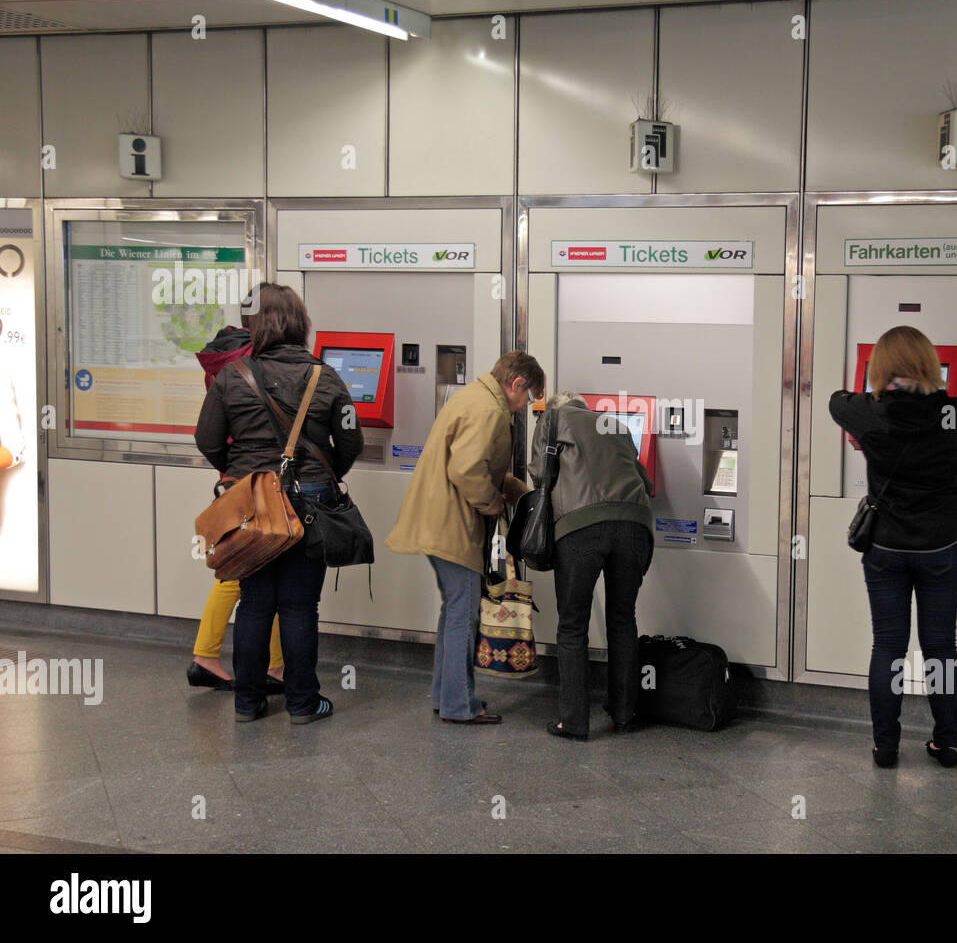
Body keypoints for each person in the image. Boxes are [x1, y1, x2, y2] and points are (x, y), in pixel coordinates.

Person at [829, 325, 957, 769]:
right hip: (941, 547)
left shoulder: (868, 411)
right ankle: (946, 743)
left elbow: (834, 401)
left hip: (885, 547)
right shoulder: (952, 411)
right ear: (928, 365)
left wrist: (874, 396)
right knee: (941, 646)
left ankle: (885, 747)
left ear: (879, 368)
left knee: (887, 646)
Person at [195, 283, 363, 724]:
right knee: (299, 605)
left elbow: (207, 440)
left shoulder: (234, 375)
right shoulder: (324, 377)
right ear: (300, 323)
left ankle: (247, 704)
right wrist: (323, 477)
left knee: (254, 603)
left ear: (255, 325)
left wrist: (241, 477)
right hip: (308, 503)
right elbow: (350, 442)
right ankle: (303, 703)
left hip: (250, 505)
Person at [386, 351, 540, 725]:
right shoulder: (489, 410)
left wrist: (517, 490)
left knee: (453, 611)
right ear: (516, 384)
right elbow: (468, 468)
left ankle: (446, 695)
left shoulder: (472, 398)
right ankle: (459, 705)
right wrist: (489, 502)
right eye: (527, 397)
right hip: (450, 526)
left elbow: (476, 461)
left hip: (436, 522)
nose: (524, 408)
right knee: (463, 615)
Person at [530, 391, 654, 741]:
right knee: (622, 620)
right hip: (634, 524)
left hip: (580, 526)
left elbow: (539, 474)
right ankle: (624, 714)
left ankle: (572, 722)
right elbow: (644, 481)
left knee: (572, 625)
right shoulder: (616, 424)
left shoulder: (552, 420)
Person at [187, 311, 285, 693]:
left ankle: (217, 658)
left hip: (235, 477)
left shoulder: (225, 355)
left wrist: (228, 471)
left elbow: (211, 433)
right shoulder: (252, 358)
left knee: (250, 566)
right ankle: (211, 659)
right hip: (256, 482)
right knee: (247, 570)